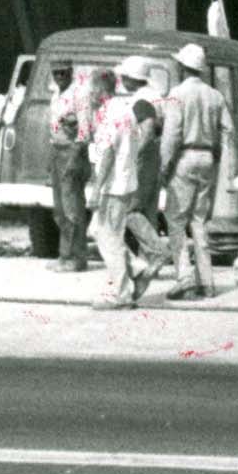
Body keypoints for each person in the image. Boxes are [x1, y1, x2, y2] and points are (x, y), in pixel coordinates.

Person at [157, 41, 231, 299]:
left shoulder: (177, 94)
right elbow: (227, 131)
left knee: (176, 221)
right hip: (208, 157)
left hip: (185, 157)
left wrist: (163, 167)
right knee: (199, 221)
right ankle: (207, 281)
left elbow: (171, 135)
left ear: (182, 67)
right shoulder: (215, 95)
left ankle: (185, 278)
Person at [89, 55, 159, 308]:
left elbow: (107, 153)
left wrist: (96, 190)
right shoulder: (125, 109)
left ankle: (121, 294)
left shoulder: (111, 113)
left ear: (100, 90)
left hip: (113, 186)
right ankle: (138, 268)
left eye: (92, 89)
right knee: (99, 231)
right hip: (125, 181)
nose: (90, 95)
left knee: (109, 240)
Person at [48, 64, 103, 273]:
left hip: (72, 152)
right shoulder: (56, 95)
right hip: (57, 151)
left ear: (71, 72)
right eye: (56, 72)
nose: (60, 76)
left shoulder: (79, 95)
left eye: (64, 72)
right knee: (60, 210)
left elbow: (85, 132)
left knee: (72, 209)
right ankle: (65, 254)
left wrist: (74, 158)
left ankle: (76, 257)